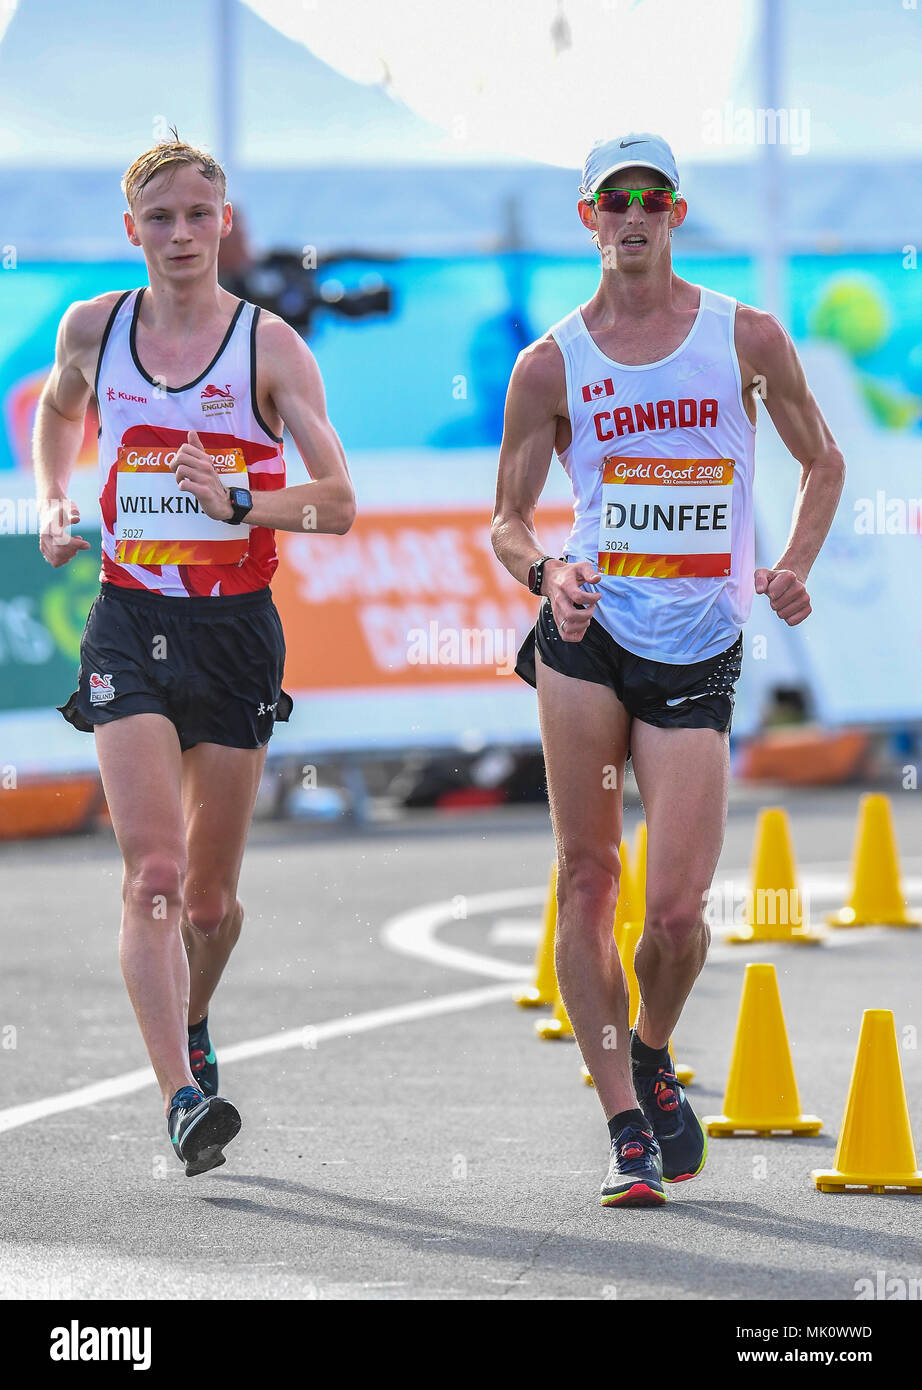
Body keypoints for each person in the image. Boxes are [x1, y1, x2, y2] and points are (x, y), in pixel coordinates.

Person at [491, 133, 845, 1207]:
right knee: (588, 878)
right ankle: (621, 1122)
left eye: (650, 197)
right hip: (588, 638)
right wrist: (548, 571)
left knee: (680, 912)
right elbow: (505, 522)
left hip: (697, 646)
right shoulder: (549, 362)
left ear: (676, 213)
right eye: (613, 199)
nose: (632, 214)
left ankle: (648, 1049)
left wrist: (789, 566)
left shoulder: (745, 336)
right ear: (589, 218)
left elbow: (822, 460)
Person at [34, 133, 355, 1177]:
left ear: (225, 225)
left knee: (209, 904)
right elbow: (57, 408)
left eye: (197, 215)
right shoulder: (95, 326)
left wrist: (240, 502)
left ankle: (195, 1017)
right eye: (159, 217)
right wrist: (51, 494)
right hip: (128, 619)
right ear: (132, 231)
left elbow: (339, 503)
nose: (179, 234)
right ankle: (181, 1096)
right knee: (155, 876)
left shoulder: (268, 348)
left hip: (233, 631)